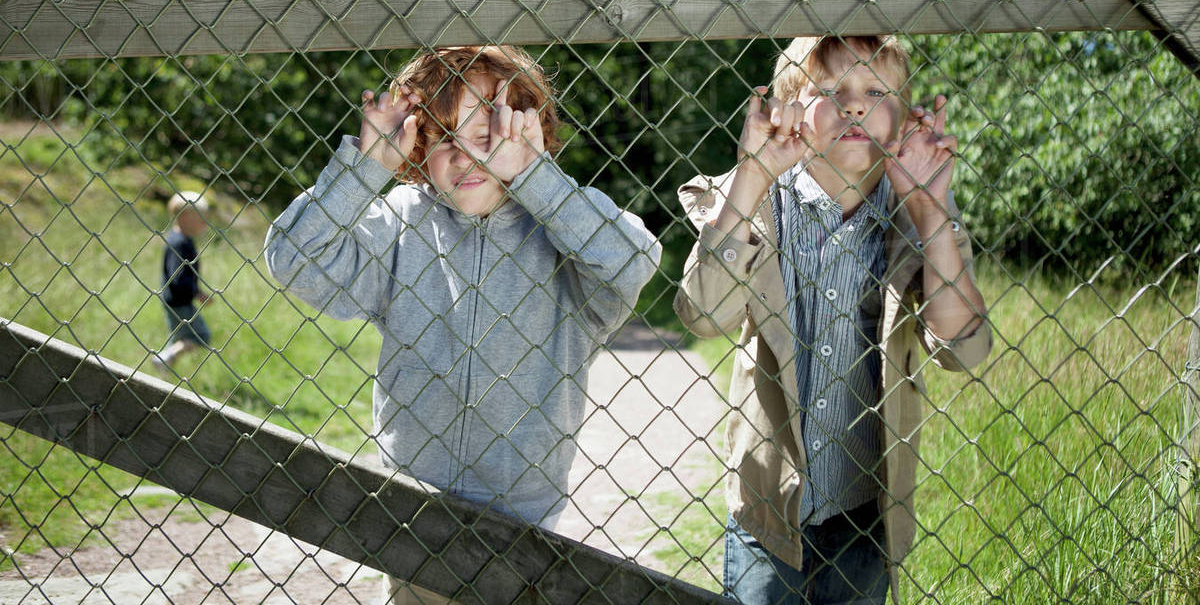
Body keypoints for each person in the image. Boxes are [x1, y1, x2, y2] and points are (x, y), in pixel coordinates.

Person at [264, 45, 661, 604]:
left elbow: (632, 260)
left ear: (533, 137)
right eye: (445, 138)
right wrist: (366, 166)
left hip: (525, 524)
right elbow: (292, 259)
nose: (467, 157)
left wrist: (533, 177)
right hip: (411, 514)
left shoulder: (564, 230)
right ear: (418, 147)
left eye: (489, 136)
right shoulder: (403, 220)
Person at [673, 35, 991, 604]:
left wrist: (931, 212)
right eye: (832, 91)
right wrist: (750, 174)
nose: (855, 105)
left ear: (903, 116)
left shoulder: (912, 216)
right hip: (766, 511)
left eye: (876, 90)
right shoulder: (754, 204)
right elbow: (702, 314)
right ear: (790, 108)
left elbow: (961, 349)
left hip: (865, 510)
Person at [154, 190, 214, 371]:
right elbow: (178, 276)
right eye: (201, 218)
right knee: (201, 335)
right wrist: (197, 293)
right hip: (180, 300)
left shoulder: (179, 239)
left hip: (173, 298)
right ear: (184, 217)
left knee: (179, 335)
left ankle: (165, 366)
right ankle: (165, 358)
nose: (205, 222)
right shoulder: (180, 243)